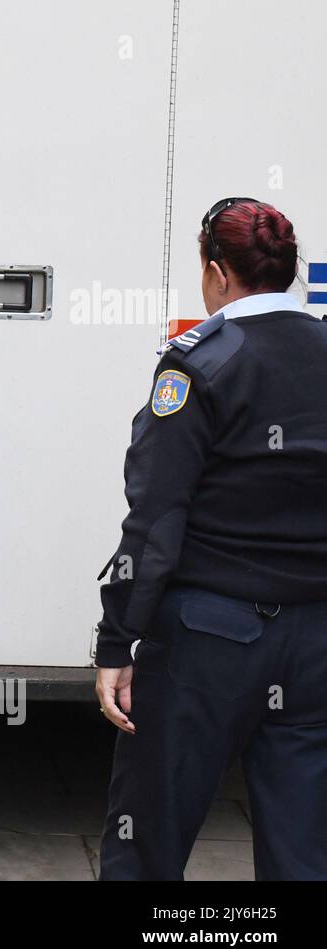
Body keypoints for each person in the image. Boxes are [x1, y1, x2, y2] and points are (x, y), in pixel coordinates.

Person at [95, 198, 327, 880]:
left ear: (217, 272)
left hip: (208, 638)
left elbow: (156, 519)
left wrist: (117, 638)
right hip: (316, 642)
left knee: (147, 843)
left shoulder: (200, 364)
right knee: (304, 849)